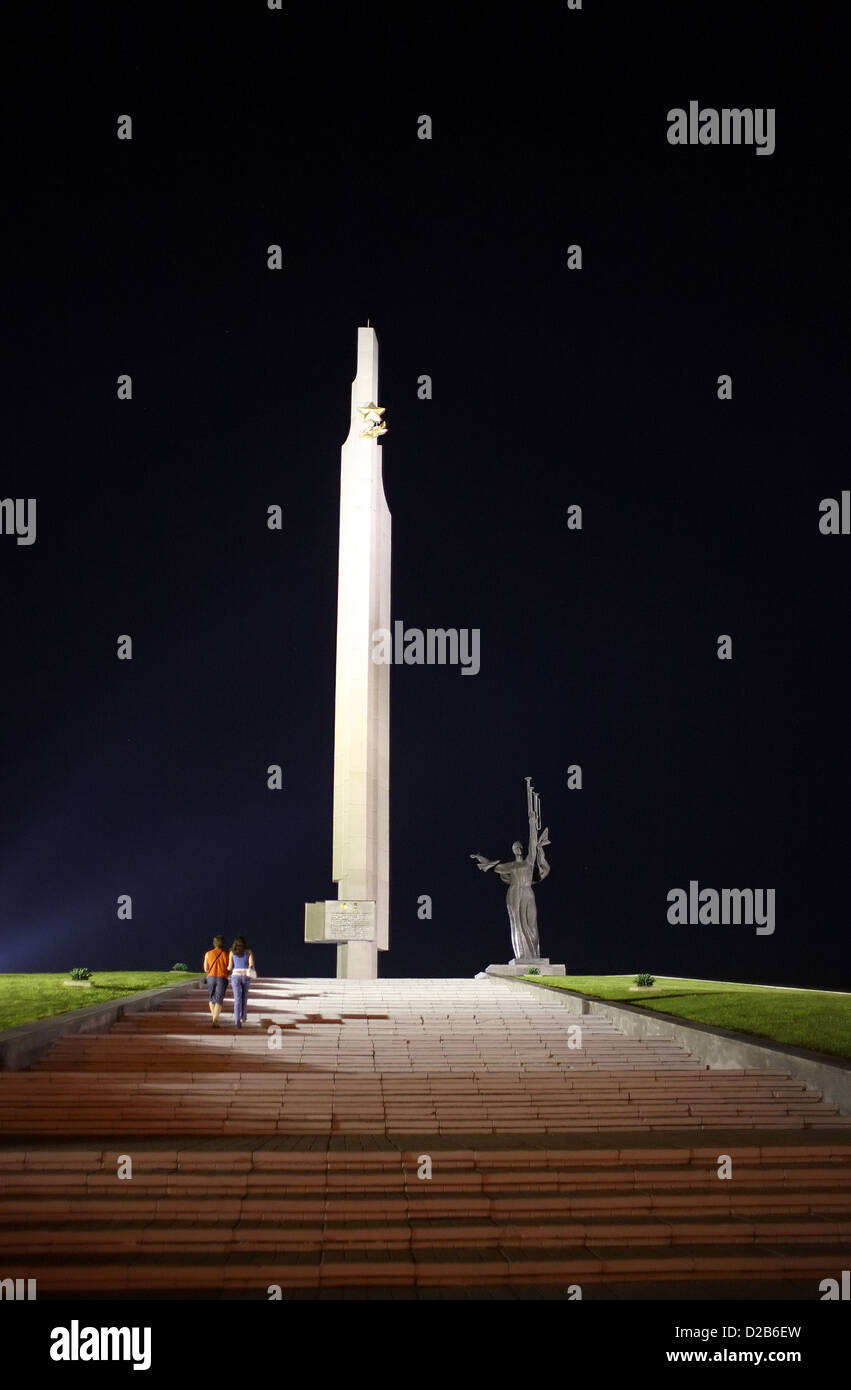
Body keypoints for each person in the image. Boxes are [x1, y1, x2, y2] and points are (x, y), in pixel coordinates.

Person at [228, 937, 256, 1029]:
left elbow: (229, 967)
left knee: (237, 999)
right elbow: (251, 965)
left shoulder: (232, 952)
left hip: (235, 976)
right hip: (245, 975)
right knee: (244, 996)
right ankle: (243, 1016)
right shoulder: (248, 952)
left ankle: (237, 1021)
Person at [203, 935, 229, 1027]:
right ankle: (215, 1021)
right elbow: (229, 968)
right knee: (219, 1000)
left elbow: (206, 969)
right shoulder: (227, 954)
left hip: (210, 977)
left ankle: (214, 1018)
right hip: (222, 977)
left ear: (214, 943)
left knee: (211, 998)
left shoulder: (208, 954)